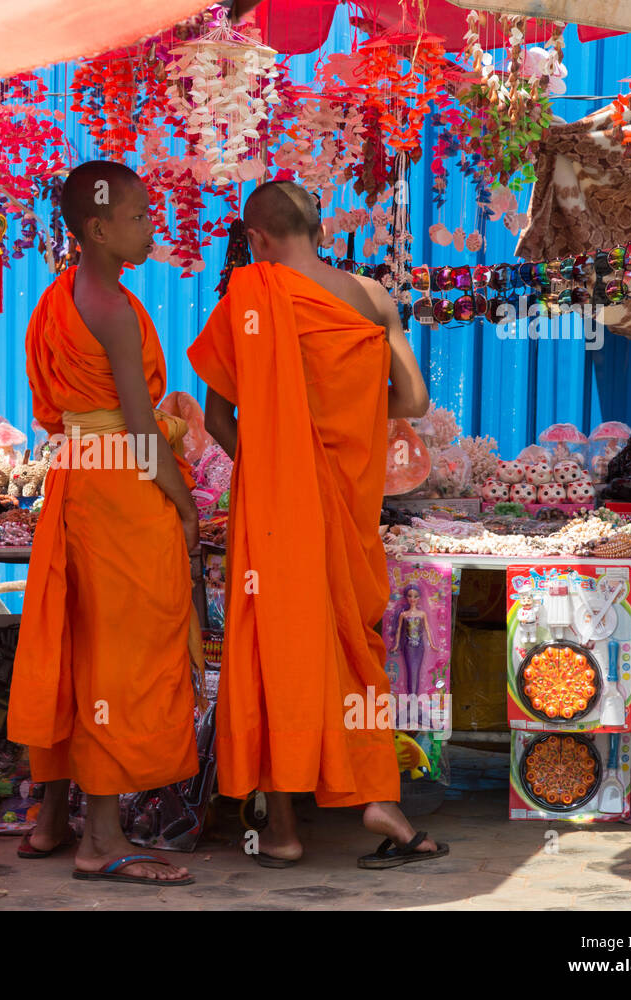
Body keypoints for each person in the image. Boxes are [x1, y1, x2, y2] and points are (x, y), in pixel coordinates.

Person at [187, 180, 447, 869]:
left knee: (279, 653)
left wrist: (278, 467)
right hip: (350, 512)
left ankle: (282, 832)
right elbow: (414, 400)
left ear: (257, 239)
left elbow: (217, 419)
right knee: (351, 649)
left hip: (276, 517)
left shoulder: (249, 300)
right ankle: (376, 799)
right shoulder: (370, 297)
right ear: (319, 227)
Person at [8, 160, 201, 886]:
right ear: (98, 227)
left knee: (72, 643)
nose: (154, 225)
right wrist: (183, 504)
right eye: (142, 215)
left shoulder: (61, 297)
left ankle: (52, 818)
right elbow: (142, 430)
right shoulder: (114, 309)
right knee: (120, 658)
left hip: (74, 481)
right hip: (122, 489)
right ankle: (105, 837)